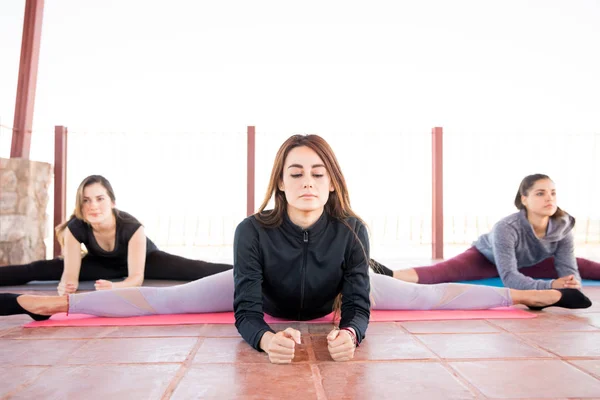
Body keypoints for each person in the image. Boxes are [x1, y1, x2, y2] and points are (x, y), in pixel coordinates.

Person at [0, 138, 592, 365]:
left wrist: (352, 332)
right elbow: (245, 308)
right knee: (162, 300)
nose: (307, 180)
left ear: (331, 181)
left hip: (332, 293)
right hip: (267, 296)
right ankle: (46, 308)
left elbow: (359, 302)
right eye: (295, 172)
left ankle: (537, 297)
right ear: (280, 182)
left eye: (317, 172)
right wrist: (261, 338)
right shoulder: (251, 230)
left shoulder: (352, 227)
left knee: (433, 294)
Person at [0, 175, 232, 294]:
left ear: (111, 202)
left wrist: (115, 287)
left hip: (147, 261)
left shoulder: (132, 227)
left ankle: (256, 273)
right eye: (86, 200)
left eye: (100, 199)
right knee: (38, 269)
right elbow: (69, 275)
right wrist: (65, 286)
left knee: (198, 270)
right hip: (101, 264)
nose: (93, 206)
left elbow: (135, 279)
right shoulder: (76, 228)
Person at [373, 174, 600, 290]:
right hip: (487, 258)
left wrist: (572, 283)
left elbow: (569, 270)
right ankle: (384, 273)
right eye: (540, 193)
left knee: (585, 266)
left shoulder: (563, 226)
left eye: (552, 192)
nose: (549, 198)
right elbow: (509, 278)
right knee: (442, 272)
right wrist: (550, 285)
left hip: (531, 261)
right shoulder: (507, 227)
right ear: (524, 199)